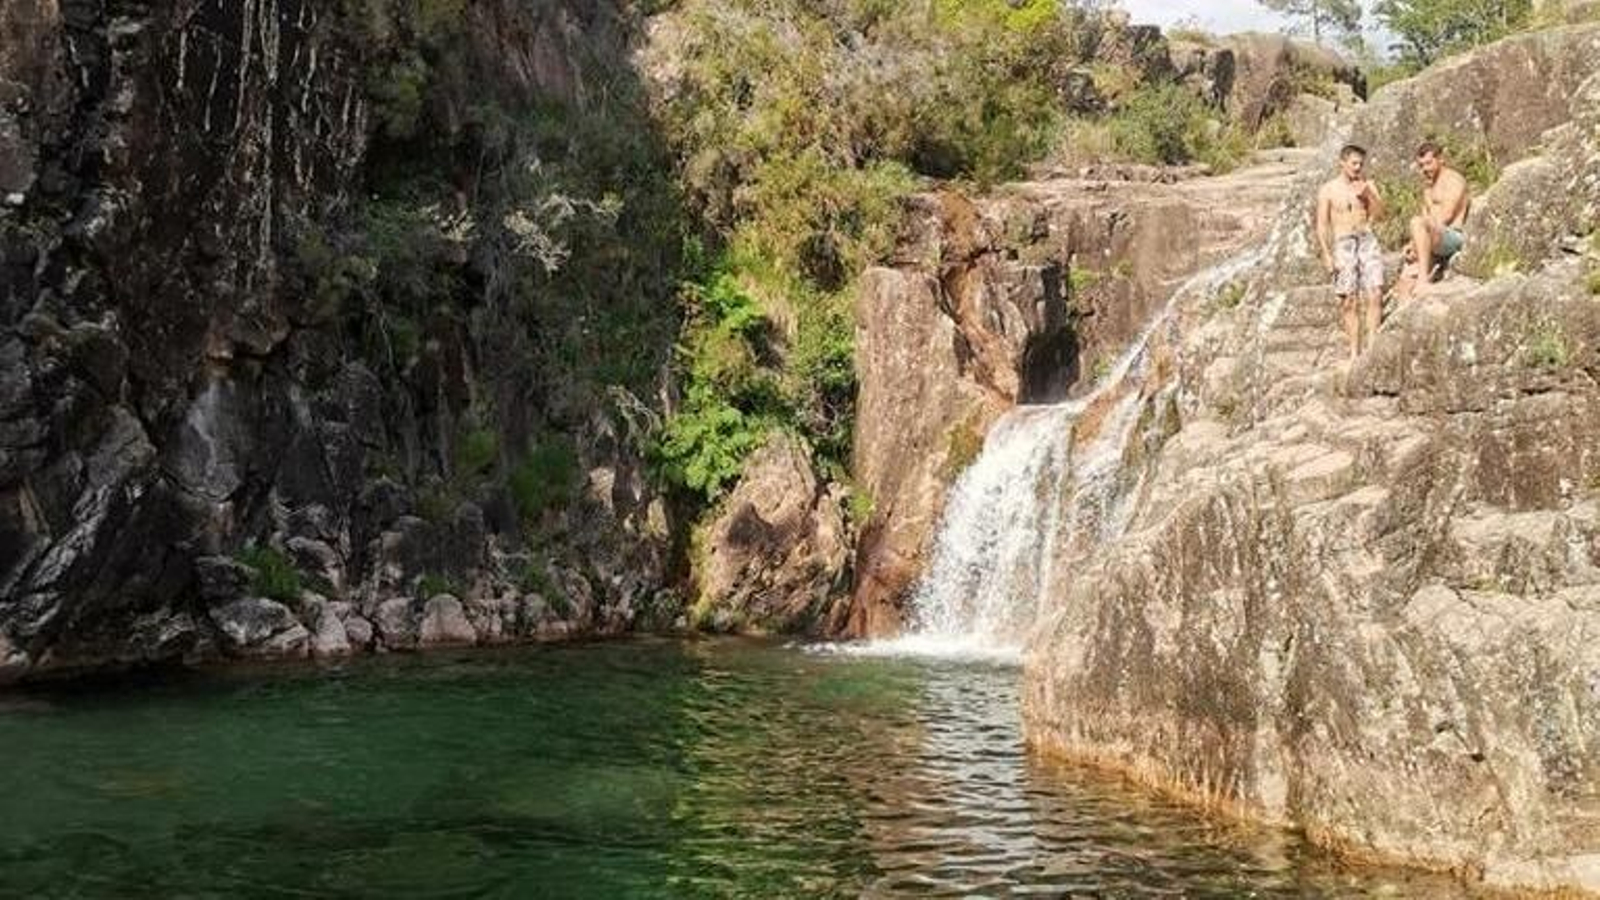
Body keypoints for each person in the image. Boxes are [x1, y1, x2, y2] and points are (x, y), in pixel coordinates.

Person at [1315, 144, 1386, 360]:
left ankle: (1372, 346)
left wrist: (1368, 196)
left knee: (1374, 292)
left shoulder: (1368, 185)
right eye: (1354, 163)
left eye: (1360, 164)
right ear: (1342, 163)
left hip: (1366, 238)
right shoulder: (1328, 189)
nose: (1357, 168)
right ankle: (1355, 352)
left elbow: (1382, 215)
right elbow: (1322, 225)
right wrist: (1326, 254)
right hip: (1342, 241)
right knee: (1349, 299)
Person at [1391, 141, 1470, 303]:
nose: (1425, 169)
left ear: (1440, 159)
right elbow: (1425, 220)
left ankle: (1423, 281)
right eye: (1421, 166)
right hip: (1434, 241)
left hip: (1452, 237)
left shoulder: (1454, 180)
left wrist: (1420, 235)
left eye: (1428, 163)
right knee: (1404, 282)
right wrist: (1413, 244)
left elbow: (1446, 216)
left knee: (1416, 222)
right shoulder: (1428, 188)